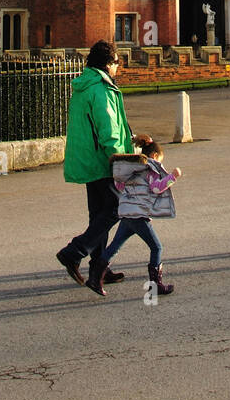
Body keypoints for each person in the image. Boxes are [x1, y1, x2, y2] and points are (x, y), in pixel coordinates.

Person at [56, 41, 134, 288]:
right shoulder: (100, 88)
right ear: (109, 63)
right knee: (117, 208)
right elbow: (108, 128)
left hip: (87, 158)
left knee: (99, 213)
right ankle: (74, 251)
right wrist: (121, 159)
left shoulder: (83, 84)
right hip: (104, 160)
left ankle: (99, 267)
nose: (118, 69)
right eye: (117, 63)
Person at [91, 135, 181, 297]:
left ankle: (95, 278)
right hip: (139, 215)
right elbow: (156, 188)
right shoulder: (150, 168)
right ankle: (156, 285)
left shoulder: (131, 169)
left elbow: (119, 185)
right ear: (154, 156)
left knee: (114, 246)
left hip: (126, 213)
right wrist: (172, 176)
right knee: (156, 247)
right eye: (160, 159)